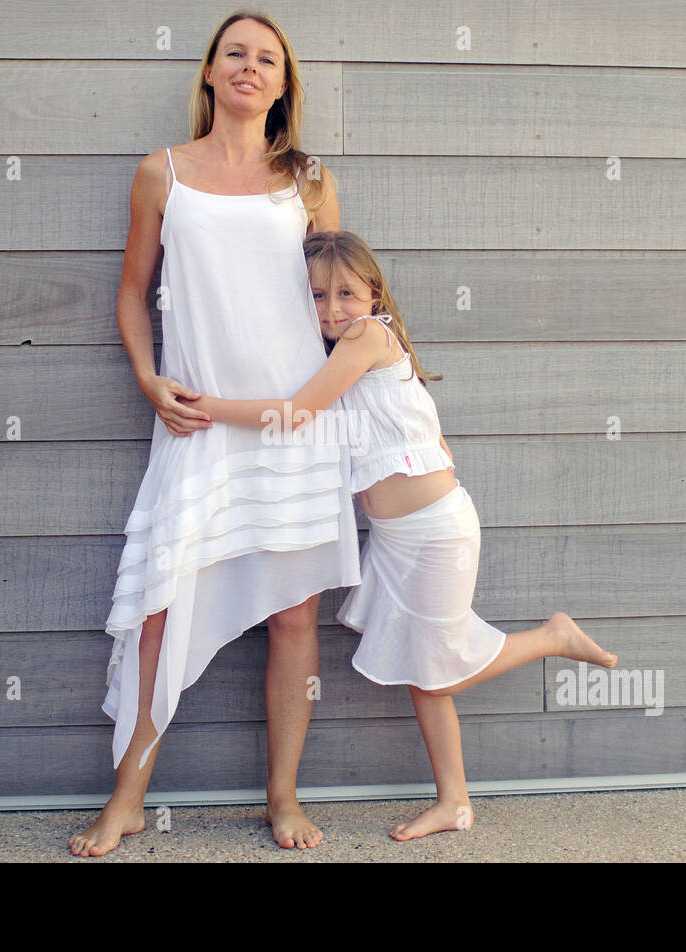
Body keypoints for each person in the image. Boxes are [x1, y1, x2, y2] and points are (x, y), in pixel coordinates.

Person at [178, 229, 621, 840]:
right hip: (395, 538)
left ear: (373, 293)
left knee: (437, 668)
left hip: (435, 532)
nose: (332, 309)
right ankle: (455, 803)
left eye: (345, 293)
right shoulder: (350, 350)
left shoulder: (367, 336)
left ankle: (551, 637)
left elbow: (296, 412)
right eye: (314, 297)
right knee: (424, 668)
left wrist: (206, 406)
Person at [69, 12, 359, 857]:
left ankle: (283, 796)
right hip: (195, 419)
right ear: (208, 72)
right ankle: (127, 799)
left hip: (293, 425)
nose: (249, 66)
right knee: (161, 608)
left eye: (267, 58)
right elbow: (131, 292)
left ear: (282, 84)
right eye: (236, 52)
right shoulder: (161, 173)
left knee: (294, 617)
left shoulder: (308, 179)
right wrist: (148, 378)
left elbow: (340, 297)